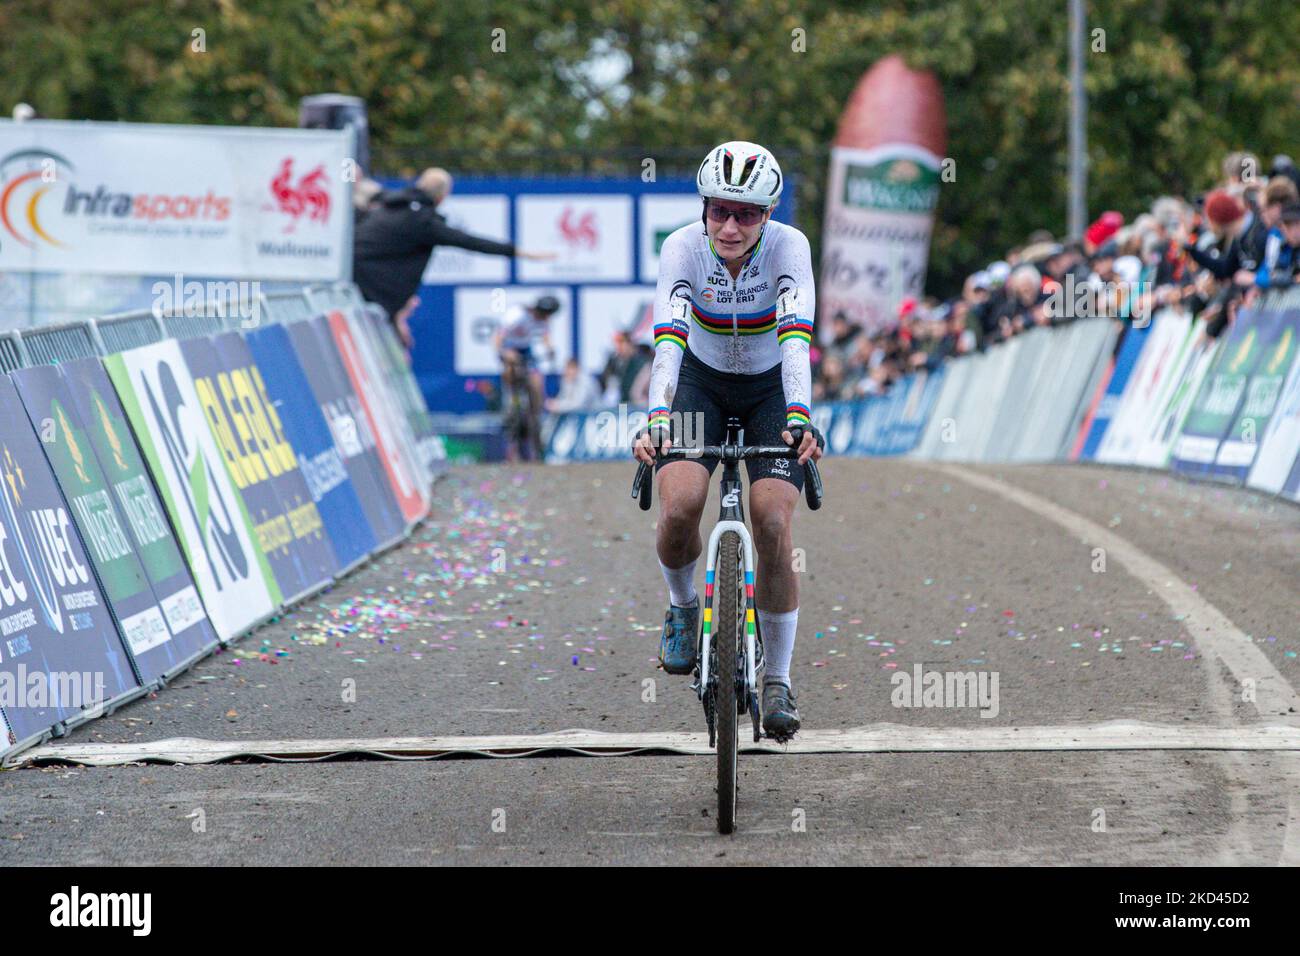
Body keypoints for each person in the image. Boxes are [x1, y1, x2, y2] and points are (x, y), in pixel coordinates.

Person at [631, 141, 823, 741]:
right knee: (682, 504)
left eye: (746, 214)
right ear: (704, 209)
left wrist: (799, 414)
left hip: (770, 391)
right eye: (720, 211)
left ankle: (778, 680)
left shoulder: (791, 247)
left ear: (767, 216)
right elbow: (668, 338)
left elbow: (795, 339)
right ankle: (685, 605)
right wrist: (658, 415)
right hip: (700, 385)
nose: (731, 226)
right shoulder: (681, 247)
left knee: (770, 521)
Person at [352, 167, 552, 349]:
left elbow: (365, 189)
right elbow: (471, 242)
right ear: (442, 196)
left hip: (355, 282)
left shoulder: (391, 202)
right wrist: (520, 252)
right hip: (371, 294)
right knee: (385, 347)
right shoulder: (423, 223)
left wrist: (352, 174)